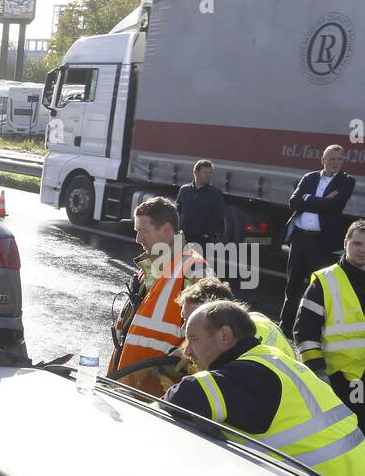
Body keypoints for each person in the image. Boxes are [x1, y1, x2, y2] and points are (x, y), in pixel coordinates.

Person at [164, 300, 365, 476]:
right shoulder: (270, 360)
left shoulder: (249, 375)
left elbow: (184, 397)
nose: (188, 352)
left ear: (225, 335)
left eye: (193, 339)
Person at [292, 219, 365, 470]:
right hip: (336, 380)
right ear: (345, 243)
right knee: (333, 450)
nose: (362, 249)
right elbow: (304, 332)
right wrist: (318, 373)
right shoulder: (325, 281)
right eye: (356, 243)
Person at [110, 196, 207, 396]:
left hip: (155, 396)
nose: (137, 239)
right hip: (128, 386)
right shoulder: (151, 267)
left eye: (143, 231)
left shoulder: (193, 268)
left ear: (166, 230)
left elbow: (208, 334)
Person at [279, 144, 355, 333]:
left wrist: (308, 199)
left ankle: (309, 329)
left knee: (319, 287)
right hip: (300, 239)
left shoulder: (346, 181)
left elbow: (334, 207)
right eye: (331, 159)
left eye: (339, 159)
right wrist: (321, 200)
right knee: (293, 284)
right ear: (323, 160)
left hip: (321, 242)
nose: (335, 163)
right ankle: (285, 326)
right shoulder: (310, 177)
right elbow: (293, 202)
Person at [177, 277, 297, 363]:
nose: (184, 327)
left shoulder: (235, 341)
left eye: (191, 319)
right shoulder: (257, 319)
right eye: (184, 318)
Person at [174, 159, 225, 252]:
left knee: (199, 265)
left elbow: (218, 216)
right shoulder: (184, 190)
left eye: (210, 172)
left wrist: (208, 234)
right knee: (181, 264)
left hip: (202, 240)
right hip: (184, 236)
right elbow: (176, 211)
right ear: (195, 173)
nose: (208, 175)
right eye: (205, 172)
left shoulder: (215, 193)